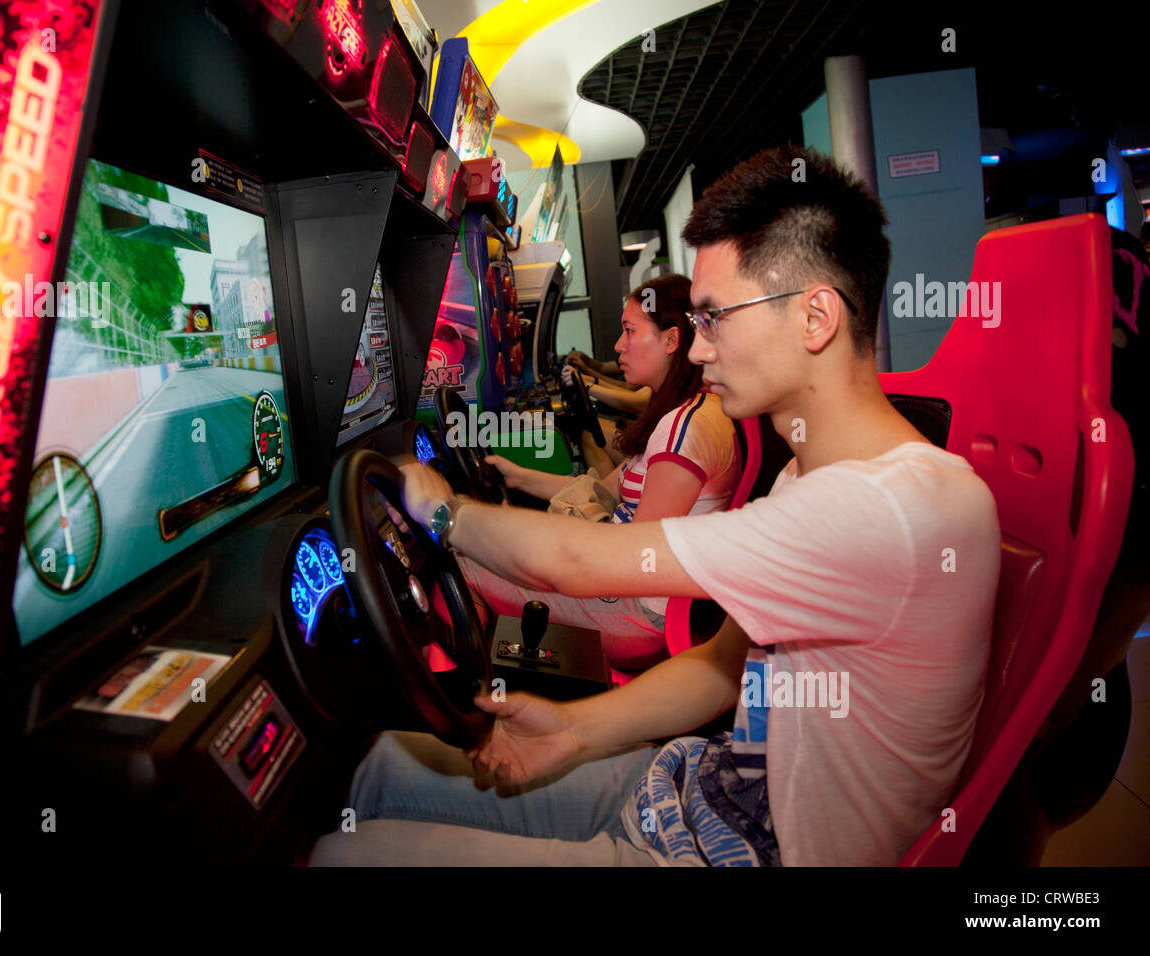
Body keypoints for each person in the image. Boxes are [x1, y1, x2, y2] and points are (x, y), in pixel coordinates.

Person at [310, 145, 1000, 867]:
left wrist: (444, 513)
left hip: (736, 854)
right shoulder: (814, 475)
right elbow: (724, 664)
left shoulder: (884, 510)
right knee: (380, 764)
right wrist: (573, 731)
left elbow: (586, 561)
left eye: (714, 319)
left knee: (342, 858)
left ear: (814, 316)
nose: (696, 352)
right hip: (702, 790)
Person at [468, 273, 741, 670]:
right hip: (628, 594)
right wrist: (514, 476)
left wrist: (529, 542)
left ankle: (466, 695)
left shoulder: (687, 426)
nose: (618, 346)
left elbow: (634, 557)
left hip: (639, 616)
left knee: (466, 561)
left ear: (670, 339)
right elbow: (599, 490)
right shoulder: (675, 414)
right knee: (494, 546)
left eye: (630, 331)